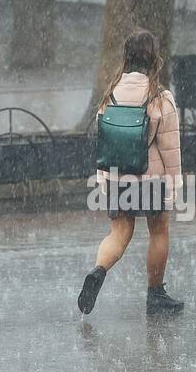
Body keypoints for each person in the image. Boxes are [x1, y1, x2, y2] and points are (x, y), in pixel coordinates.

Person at [78, 29, 185, 317]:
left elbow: (105, 141)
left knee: (120, 232)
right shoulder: (160, 97)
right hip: (150, 179)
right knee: (159, 230)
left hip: (116, 176)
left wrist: (103, 180)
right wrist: (174, 187)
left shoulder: (110, 93)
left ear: (126, 57)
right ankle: (155, 295)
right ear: (154, 59)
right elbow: (170, 150)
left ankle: (99, 270)